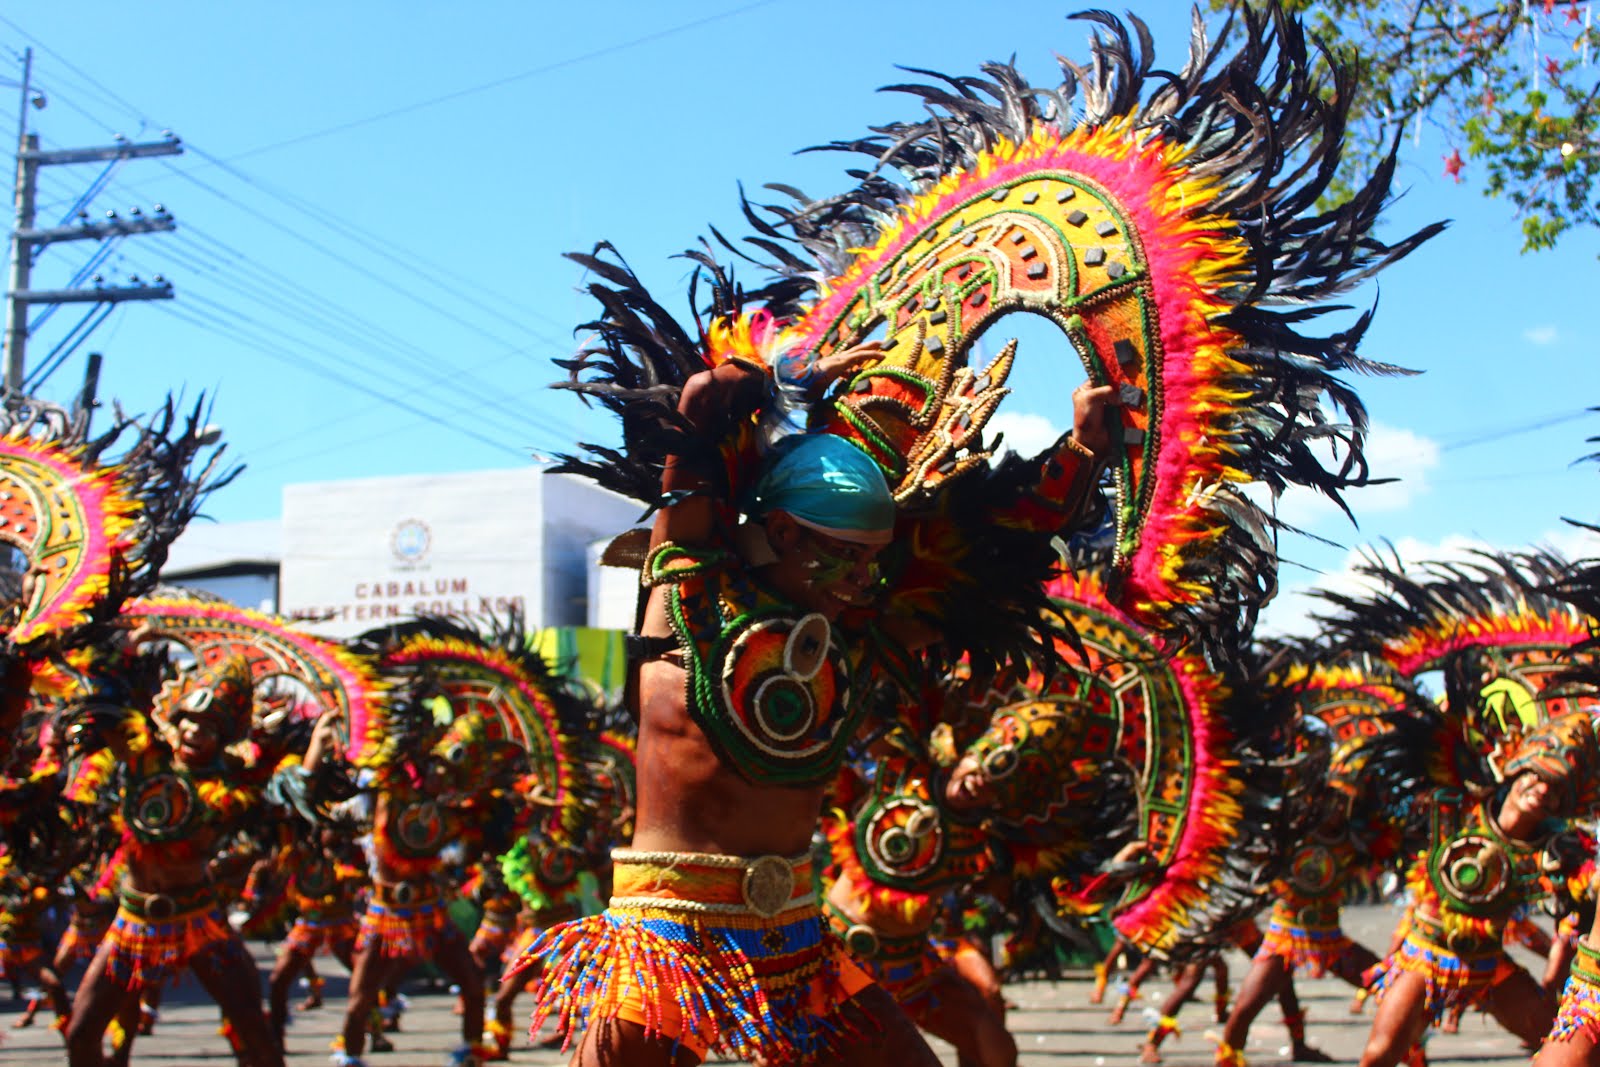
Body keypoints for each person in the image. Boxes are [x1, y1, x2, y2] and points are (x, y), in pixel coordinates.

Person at [506, 348, 1115, 1066]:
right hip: (666, 937)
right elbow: (704, 402)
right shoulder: (688, 593)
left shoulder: (856, 635)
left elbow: (1001, 558)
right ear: (786, 532)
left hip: (796, 943)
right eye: (844, 554)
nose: (861, 580)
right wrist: (789, 378)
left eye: (872, 561)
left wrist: (1085, 447)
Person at [62, 657, 284, 1067]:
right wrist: (122, 651)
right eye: (191, 720)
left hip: (198, 921)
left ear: (221, 739)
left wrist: (295, 743)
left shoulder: (228, 787)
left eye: (210, 727)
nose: (196, 731)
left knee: (254, 1030)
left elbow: (270, 778)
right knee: (81, 1034)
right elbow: (106, 712)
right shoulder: (145, 759)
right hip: (133, 922)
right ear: (175, 721)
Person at [1358, 713, 1598, 1067]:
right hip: (1427, 955)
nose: (1544, 789)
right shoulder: (1455, 806)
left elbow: (1586, 889)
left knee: (1565, 1041)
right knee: (1379, 1055)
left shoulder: (1558, 850)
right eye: (1539, 776)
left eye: (1558, 788)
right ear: (1516, 769)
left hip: (1491, 965)